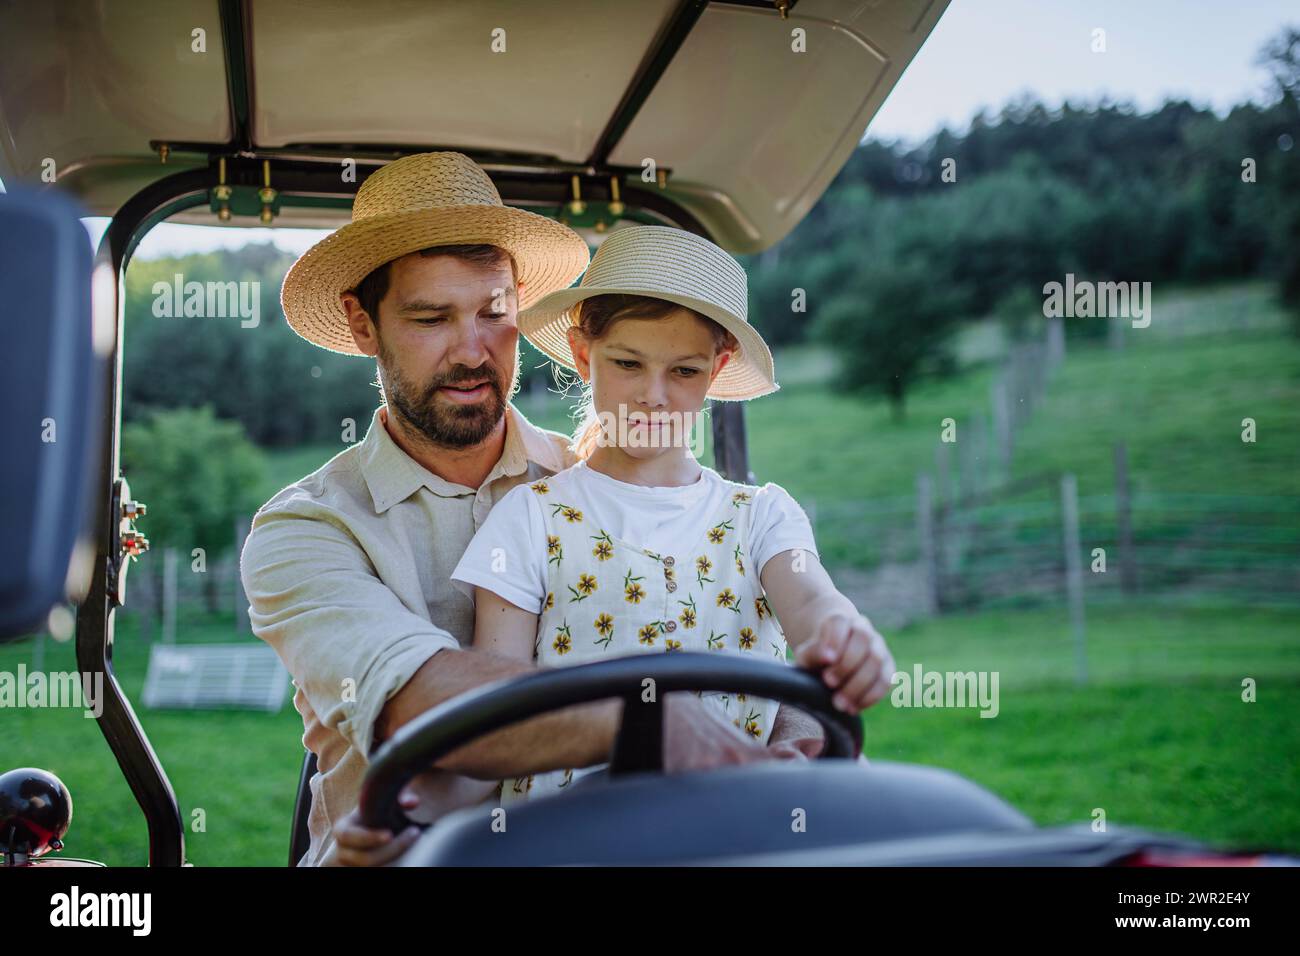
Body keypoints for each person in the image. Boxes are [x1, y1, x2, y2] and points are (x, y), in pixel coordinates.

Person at [240, 153, 844, 867]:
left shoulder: (597, 482)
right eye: (431, 317)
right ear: (363, 325)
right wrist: (650, 719)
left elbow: (738, 622)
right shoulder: (306, 530)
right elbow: (421, 697)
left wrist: (790, 725)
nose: (472, 352)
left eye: (494, 313)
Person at [449, 225, 894, 805]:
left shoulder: (761, 518)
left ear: (717, 367)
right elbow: (494, 712)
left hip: (729, 827)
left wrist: (841, 632)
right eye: (628, 364)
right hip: (568, 833)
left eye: (683, 371)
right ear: (584, 355)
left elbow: (810, 601)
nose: (653, 396)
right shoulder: (531, 519)